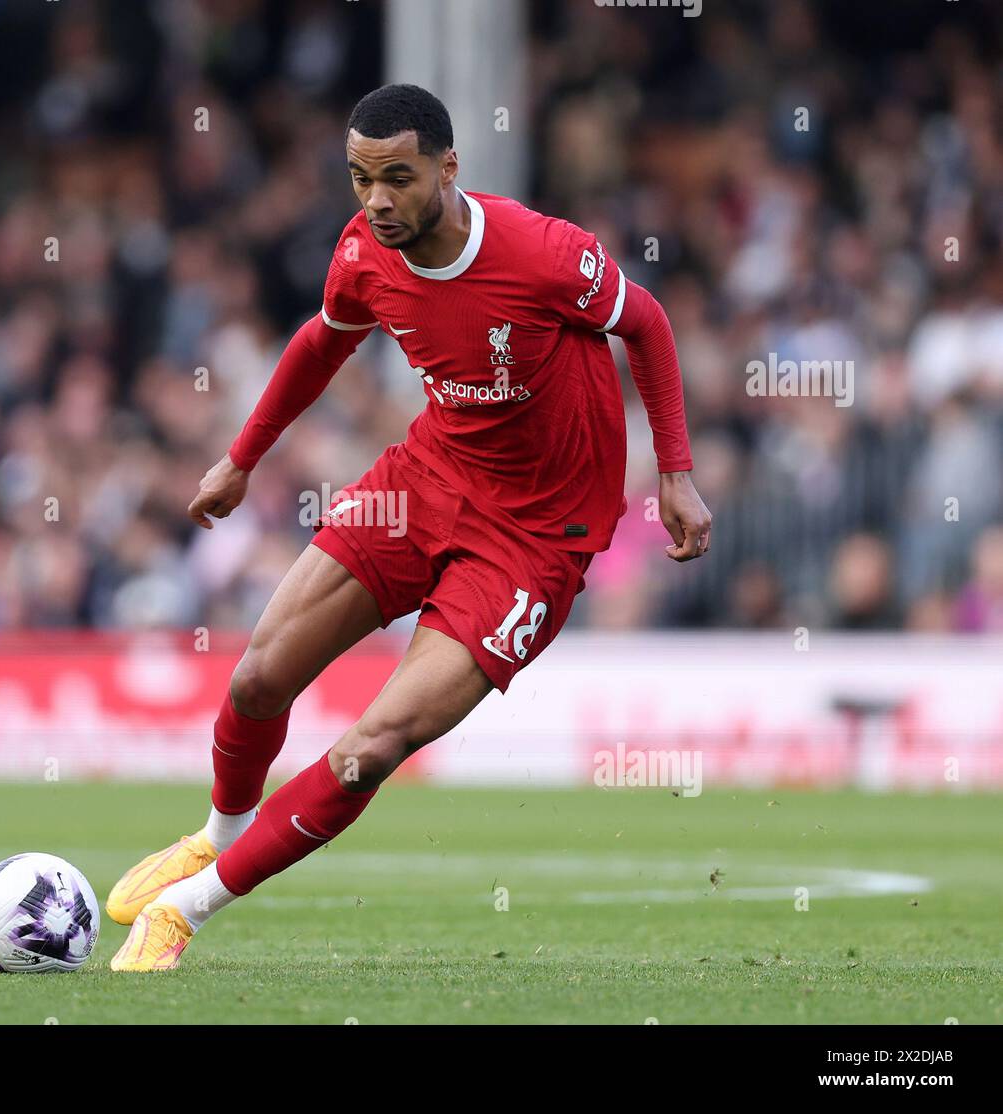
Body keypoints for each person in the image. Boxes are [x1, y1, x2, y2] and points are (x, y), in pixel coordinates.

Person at [107, 83, 712, 971]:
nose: (378, 199)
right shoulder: (362, 251)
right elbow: (324, 338)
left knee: (367, 753)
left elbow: (648, 324)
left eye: (397, 177)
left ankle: (185, 912)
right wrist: (243, 458)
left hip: (534, 542)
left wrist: (677, 474)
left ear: (447, 168)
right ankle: (212, 834)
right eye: (360, 179)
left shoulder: (543, 252)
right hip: (427, 481)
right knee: (256, 681)